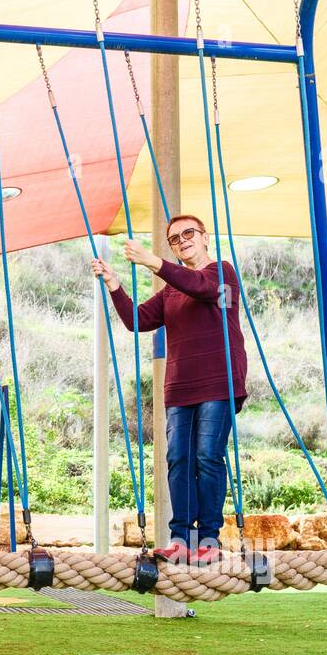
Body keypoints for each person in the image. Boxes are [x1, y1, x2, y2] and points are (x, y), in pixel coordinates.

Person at [91, 214, 247, 564]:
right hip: (180, 386)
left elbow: (203, 289)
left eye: (188, 233)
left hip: (217, 381)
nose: (182, 240)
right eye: (174, 239)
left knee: (207, 456)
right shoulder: (172, 290)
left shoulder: (222, 273)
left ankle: (209, 538)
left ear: (206, 238)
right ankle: (181, 538)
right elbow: (136, 320)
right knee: (177, 459)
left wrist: (153, 261)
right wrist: (115, 284)